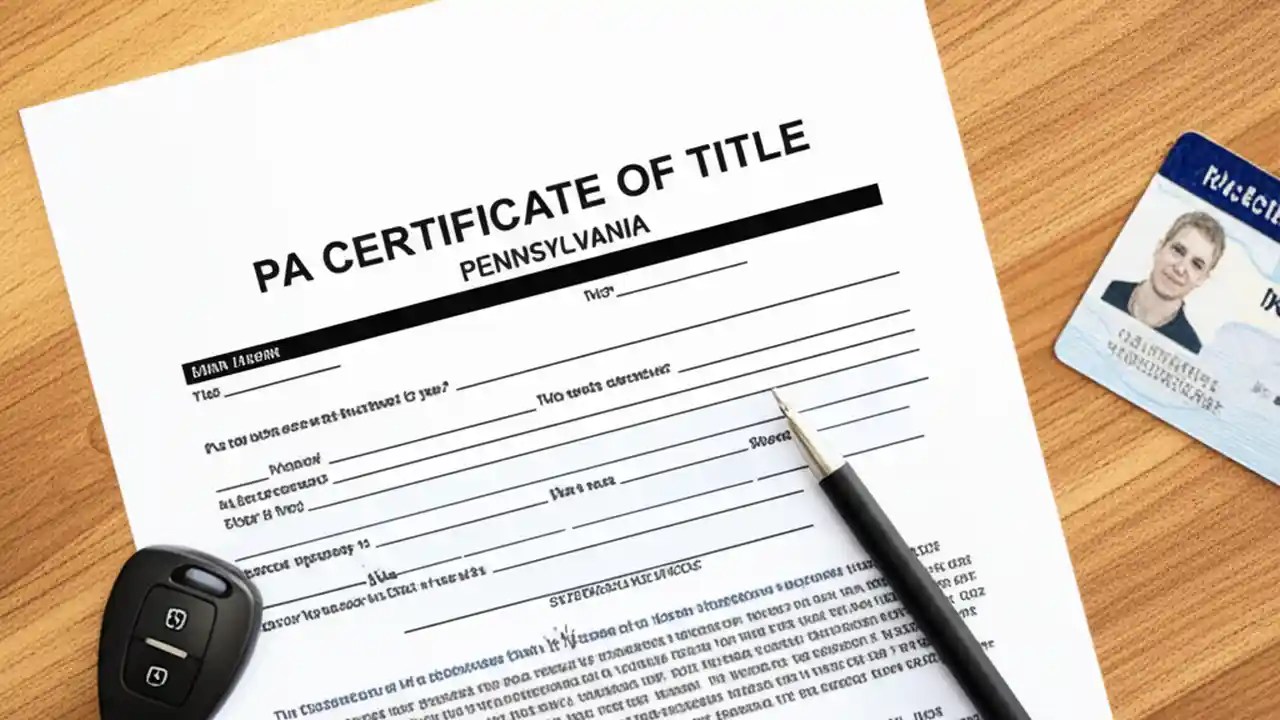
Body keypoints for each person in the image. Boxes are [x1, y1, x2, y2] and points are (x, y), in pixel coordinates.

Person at [1102, 211, 1226, 354]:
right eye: (1178, 251)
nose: (1180, 268)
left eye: (1196, 265)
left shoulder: (1188, 349)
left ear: (1202, 279)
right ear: (1159, 248)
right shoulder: (1106, 291)